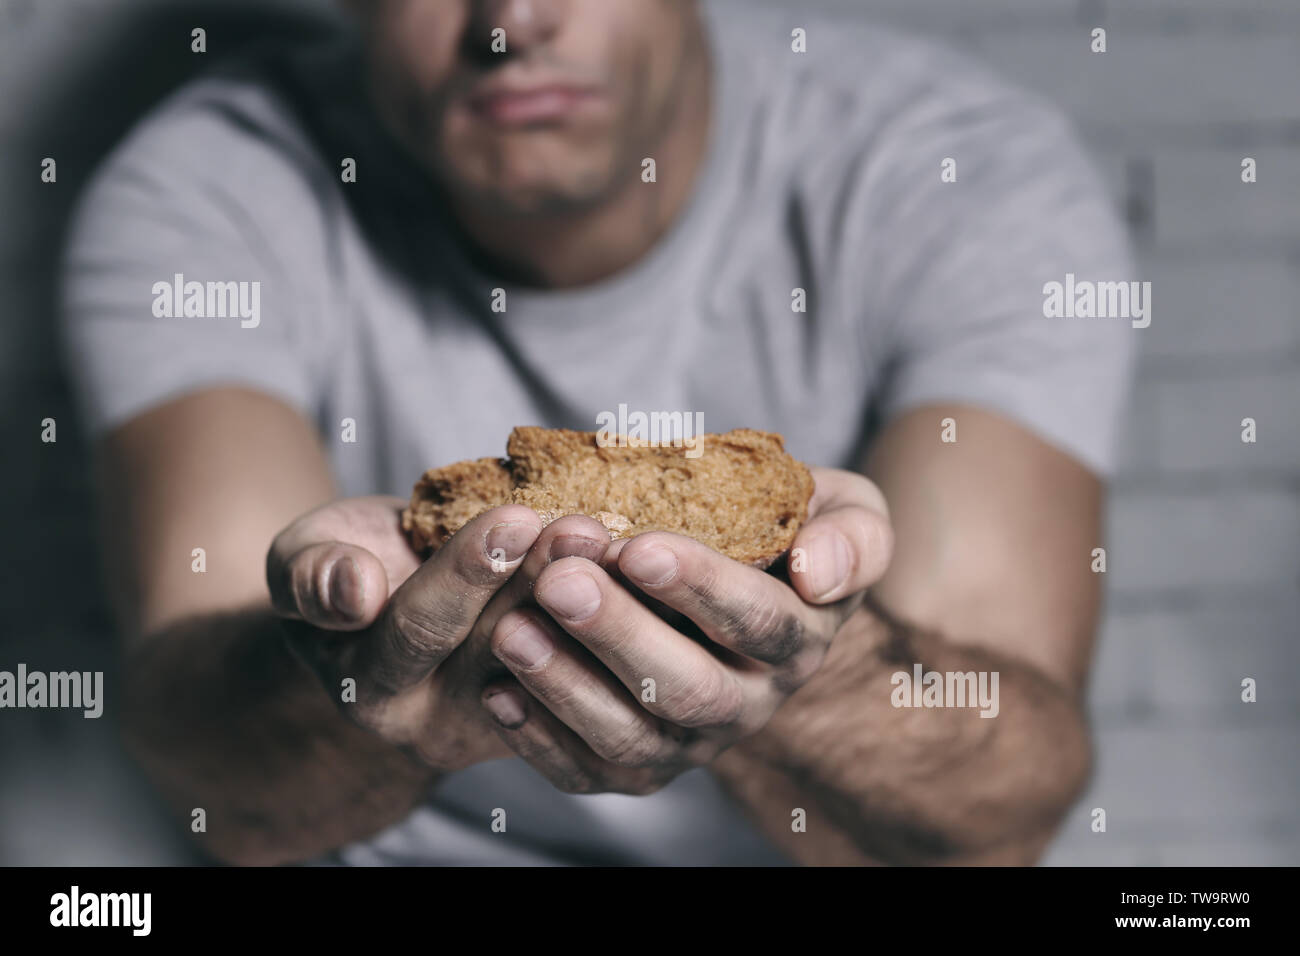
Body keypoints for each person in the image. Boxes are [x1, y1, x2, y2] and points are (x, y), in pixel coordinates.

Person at [60, 0, 1135, 866]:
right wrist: (360, 662)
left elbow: (995, 820)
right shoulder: (213, 188)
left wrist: (805, 662)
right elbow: (216, 785)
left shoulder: (959, 179)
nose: (511, 22)